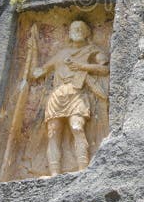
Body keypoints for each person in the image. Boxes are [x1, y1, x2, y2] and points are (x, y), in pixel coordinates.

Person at [30, 20, 109, 176]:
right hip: (58, 95)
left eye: (80, 28)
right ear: (69, 34)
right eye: (74, 28)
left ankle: (83, 170)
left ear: (87, 33)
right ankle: (54, 174)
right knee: (53, 132)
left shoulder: (92, 50)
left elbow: (105, 69)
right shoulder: (61, 54)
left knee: (77, 127)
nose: (77, 30)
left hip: (77, 93)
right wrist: (33, 52)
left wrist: (82, 66)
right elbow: (37, 73)